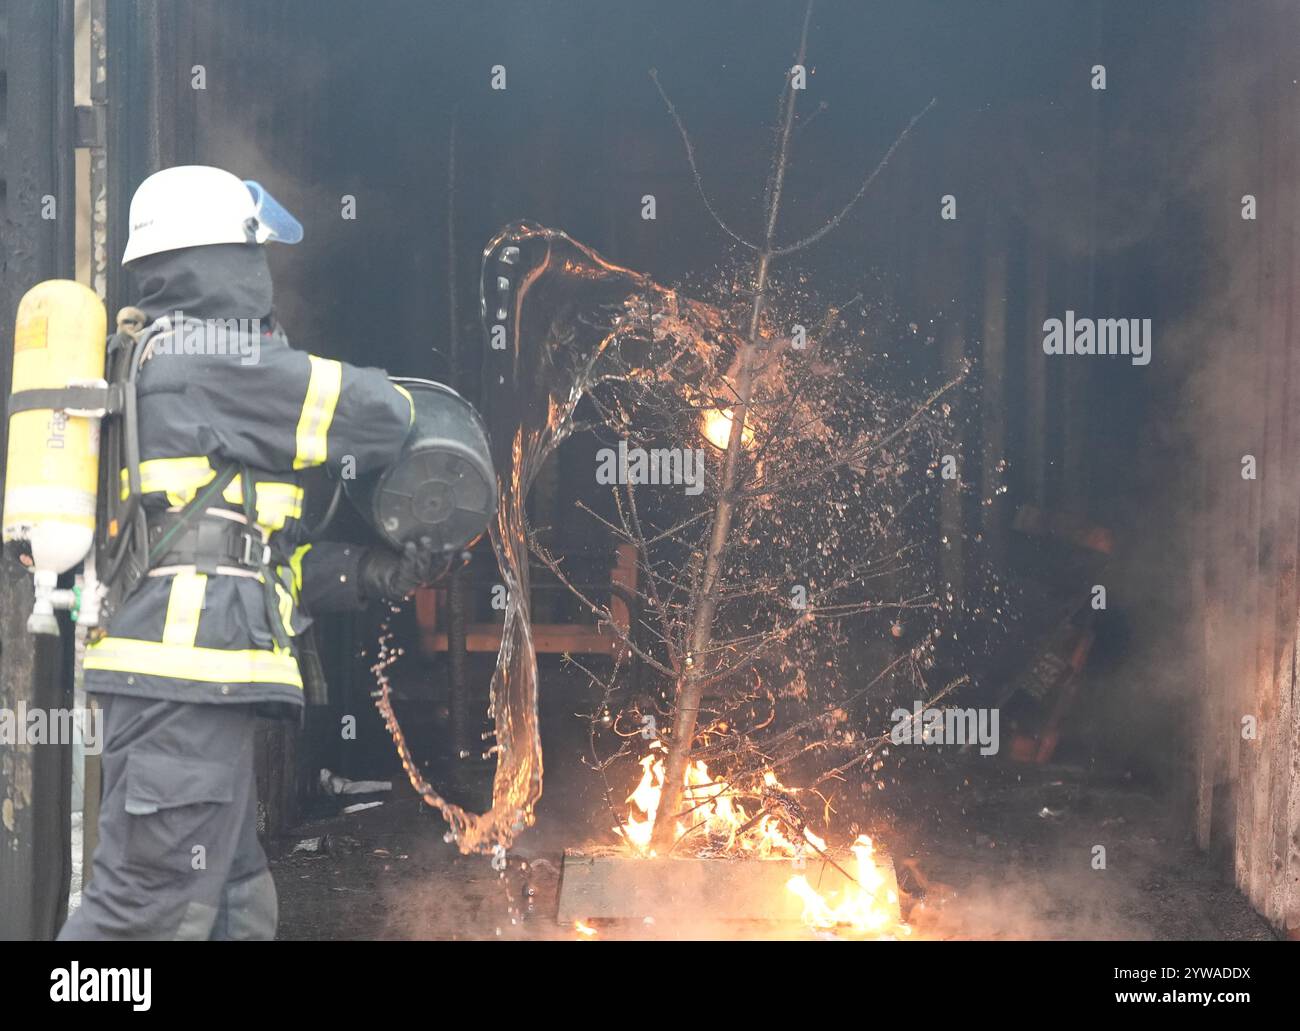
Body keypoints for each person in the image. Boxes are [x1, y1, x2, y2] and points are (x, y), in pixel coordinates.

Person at [59, 165, 446, 940]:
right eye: (254, 257)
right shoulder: (215, 363)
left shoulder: (163, 361)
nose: (263, 277)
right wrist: (418, 409)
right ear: (217, 261)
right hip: (182, 693)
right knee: (143, 914)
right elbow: (375, 415)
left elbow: (258, 557)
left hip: (197, 701)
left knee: (235, 902)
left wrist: (371, 572)